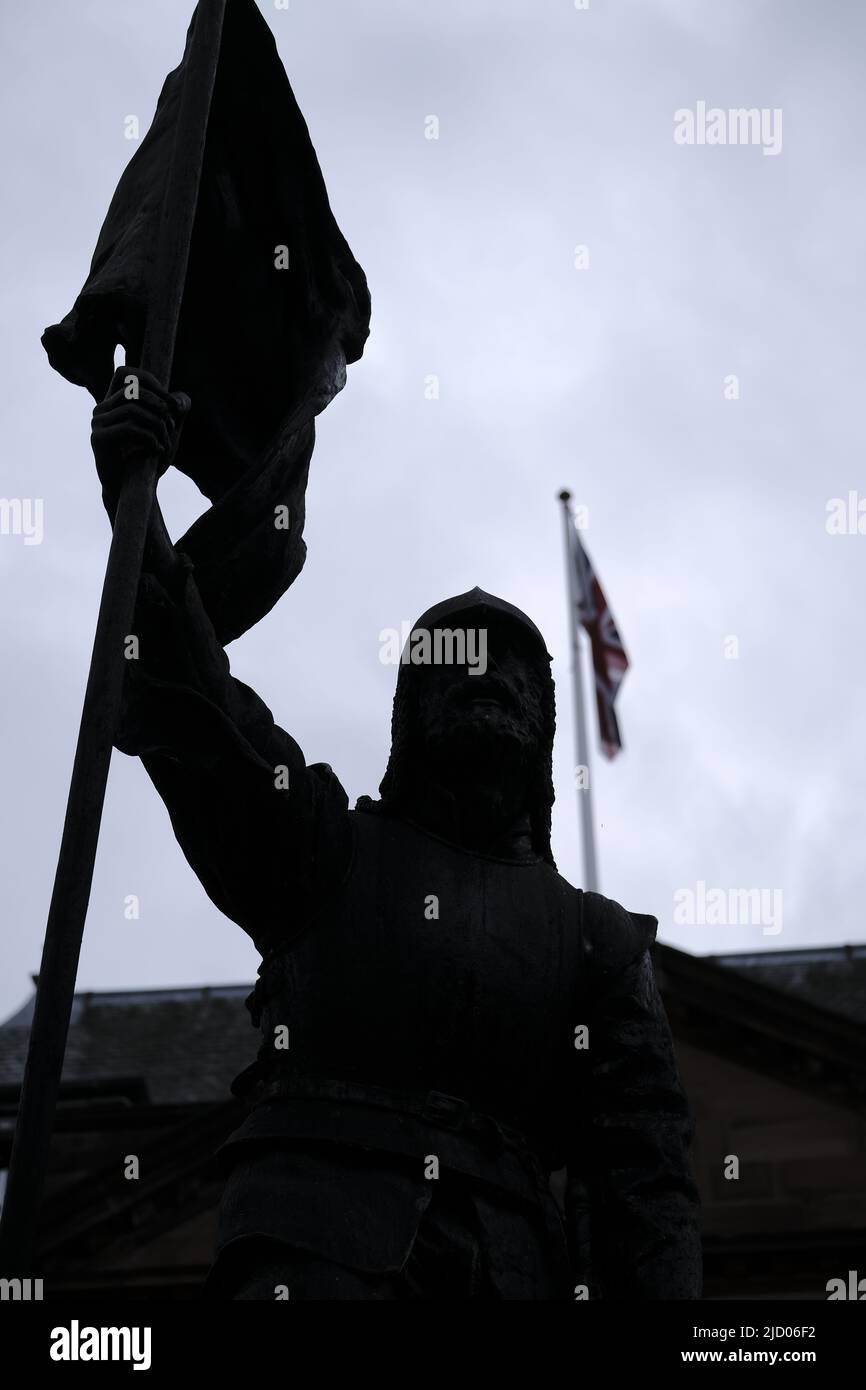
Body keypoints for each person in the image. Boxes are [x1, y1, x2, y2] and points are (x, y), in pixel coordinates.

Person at [90, 368, 702, 1300]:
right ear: (408, 711)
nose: (484, 675)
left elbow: (645, 1188)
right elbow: (198, 713)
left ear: (545, 719)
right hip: (312, 1255)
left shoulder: (601, 944)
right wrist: (135, 514)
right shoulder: (324, 852)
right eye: (452, 662)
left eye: (515, 669)